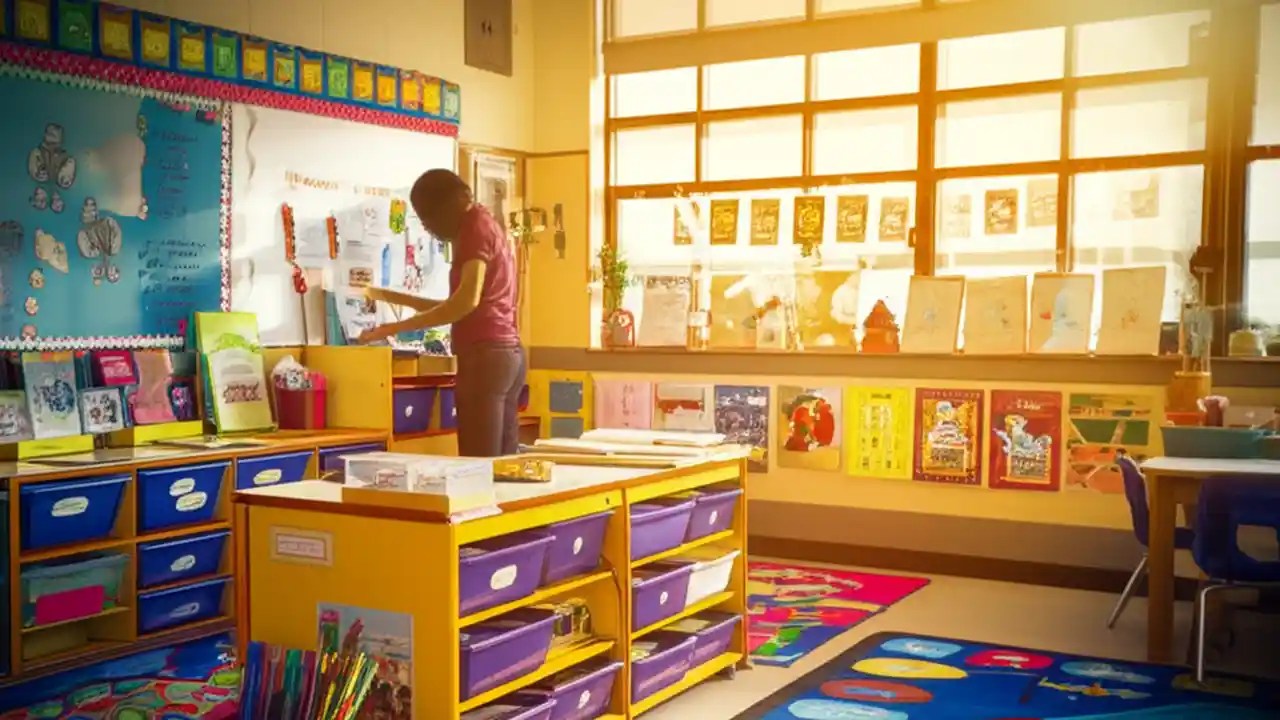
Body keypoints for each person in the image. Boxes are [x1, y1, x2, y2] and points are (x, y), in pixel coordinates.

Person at [357, 169, 524, 457]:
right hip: (506, 356)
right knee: (500, 464)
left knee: (478, 465)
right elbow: (456, 305)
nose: (430, 228)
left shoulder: (473, 229)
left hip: (486, 359)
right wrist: (386, 295)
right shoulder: (484, 223)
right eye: (423, 221)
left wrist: (390, 330)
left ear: (454, 203)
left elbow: (463, 305)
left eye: (429, 219)